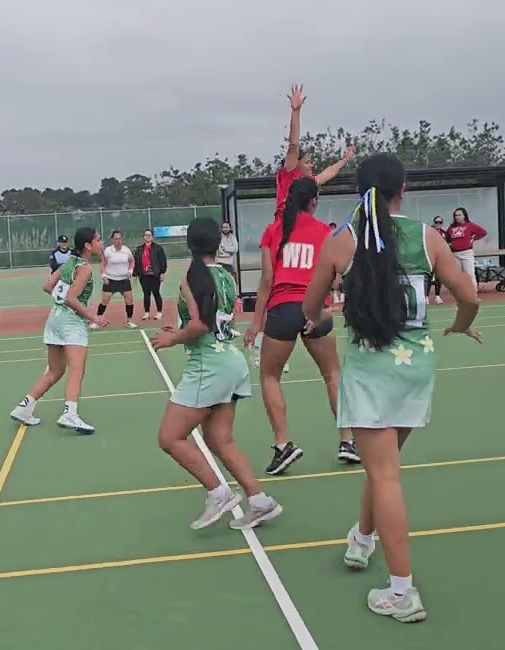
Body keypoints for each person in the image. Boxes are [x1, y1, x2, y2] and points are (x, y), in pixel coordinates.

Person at [303, 153, 482, 623]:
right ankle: (362, 540)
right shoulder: (428, 237)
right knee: (383, 462)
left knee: (384, 473)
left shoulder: (341, 240)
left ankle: (403, 592)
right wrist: (462, 325)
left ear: (358, 192)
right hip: (415, 367)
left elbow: (311, 305)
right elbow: (470, 296)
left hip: (371, 371)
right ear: (404, 187)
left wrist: (319, 321)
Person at [151, 217, 283, 531]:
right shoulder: (225, 275)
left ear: (190, 245)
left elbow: (201, 326)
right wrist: (182, 329)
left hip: (208, 364)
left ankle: (218, 492)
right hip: (230, 360)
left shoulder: (192, 276)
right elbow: (212, 318)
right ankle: (261, 501)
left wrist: (174, 337)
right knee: (219, 438)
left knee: (169, 437)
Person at [245, 176, 360, 476]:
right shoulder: (326, 232)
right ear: (314, 202)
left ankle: (283, 444)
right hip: (315, 309)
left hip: (282, 309)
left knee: (269, 376)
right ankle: (348, 442)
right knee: (332, 374)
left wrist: (256, 322)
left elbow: (267, 280)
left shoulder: (273, 231)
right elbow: (337, 275)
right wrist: (323, 306)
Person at [10, 227, 106, 433]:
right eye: (98, 239)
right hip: (71, 322)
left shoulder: (68, 263)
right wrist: (93, 317)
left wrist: (63, 301)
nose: (101, 242)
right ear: (88, 245)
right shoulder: (85, 268)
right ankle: (69, 414)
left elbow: (48, 286)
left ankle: (24, 407)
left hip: (54, 319)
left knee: (55, 370)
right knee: (76, 369)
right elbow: (71, 298)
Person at [276, 84, 355, 219]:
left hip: (302, 229)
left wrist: (345, 160)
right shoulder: (289, 173)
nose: (311, 165)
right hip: (284, 231)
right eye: (307, 162)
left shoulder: (309, 181)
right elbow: (294, 144)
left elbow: (328, 172)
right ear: (296, 162)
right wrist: (296, 111)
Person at [94, 230, 137, 330]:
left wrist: (130, 271)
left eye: (120, 238)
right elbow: (103, 264)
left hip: (124, 280)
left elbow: (132, 261)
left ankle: (129, 321)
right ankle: (97, 320)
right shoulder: (108, 251)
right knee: (105, 300)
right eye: (116, 239)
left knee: (129, 301)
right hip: (111, 279)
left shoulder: (126, 250)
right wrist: (104, 276)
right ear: (112, 240)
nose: (118, 241)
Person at [444, 207, 487, 293]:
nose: (457, 217)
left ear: (464, 216)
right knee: (458, 276)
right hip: (455, 254)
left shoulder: (470, 225)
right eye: (456, 215)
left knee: (470, 274)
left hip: (466, 253)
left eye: (459, 215)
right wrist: (449, 244)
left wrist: (473, 239)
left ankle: (473, 294)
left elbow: (482, 232)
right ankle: (462, 294)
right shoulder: (452, 227)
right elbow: (447, 237)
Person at [133, 228, 167, 321]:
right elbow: (136, 261)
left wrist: (162, 272)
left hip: (155, 274)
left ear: (152, 237)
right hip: (144, 275)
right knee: (146, 294)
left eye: (149, 235)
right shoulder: (139, 249)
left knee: (156, 293)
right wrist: (135, 274)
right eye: (146, 235)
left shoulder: (158, 248)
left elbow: (162, 261)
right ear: (143, 237)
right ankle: (147, 313)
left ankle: (159, 312)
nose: (147, 237)